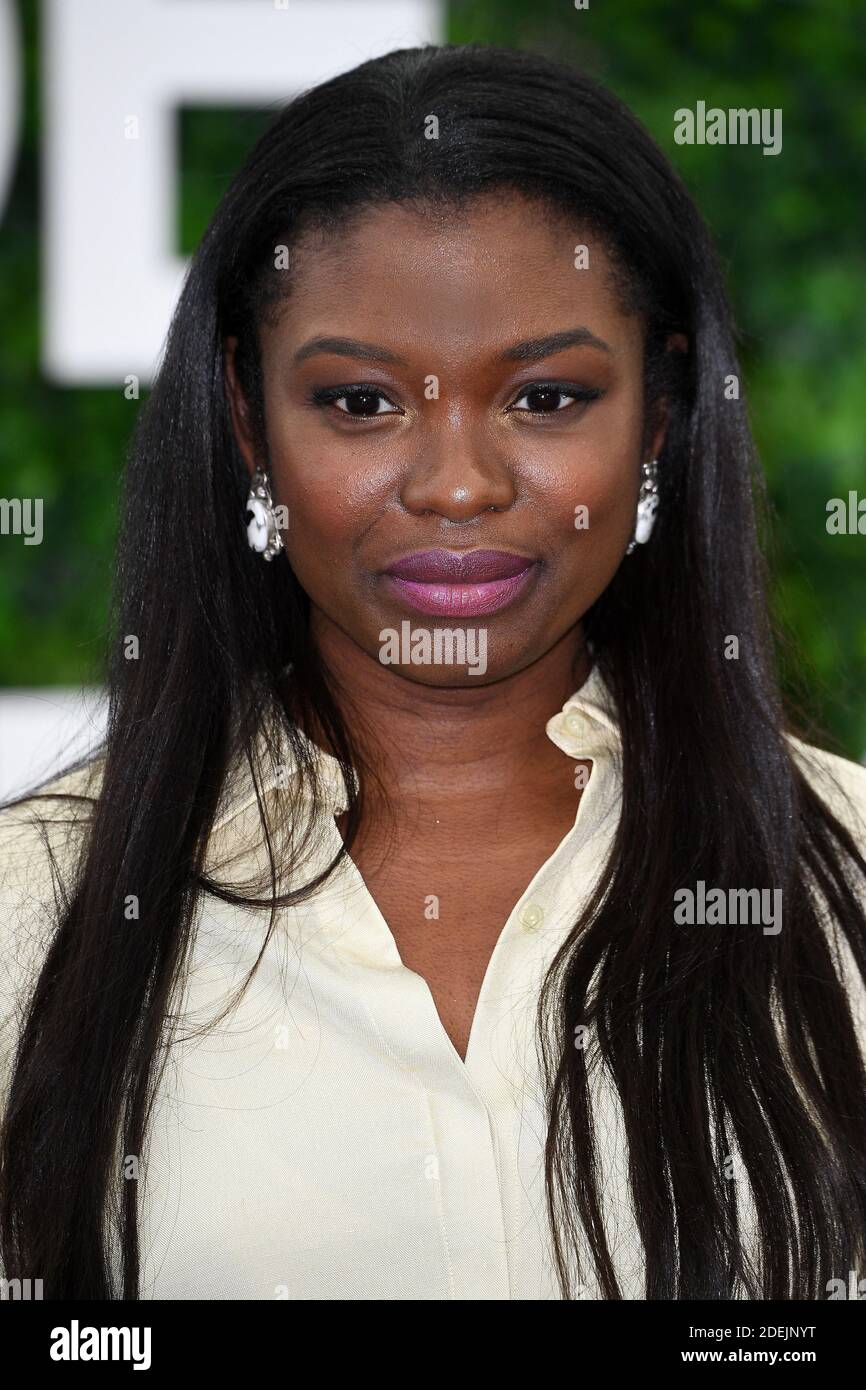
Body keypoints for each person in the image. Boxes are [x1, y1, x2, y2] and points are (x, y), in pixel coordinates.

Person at [1, 42, 865, 1302]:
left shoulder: (839, 874)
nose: (456, 482)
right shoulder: (37, 922)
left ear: (660, 417)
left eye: (547, 397)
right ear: (248, 420)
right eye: (359, 404)